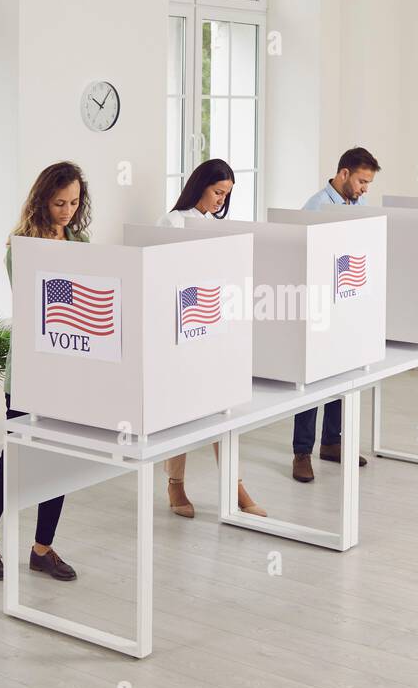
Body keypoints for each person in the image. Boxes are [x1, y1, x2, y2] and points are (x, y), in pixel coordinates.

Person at [0, 162, 91, 582]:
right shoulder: (21, 246)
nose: (67, 211)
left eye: (74, 202)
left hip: (68, 369)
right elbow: (38, 306)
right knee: (17, 458)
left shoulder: (80, 241)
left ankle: (43, 548)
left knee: (58, 461)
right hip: (28, 372)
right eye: (59, 203)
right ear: (42, 200)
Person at [158, 159, 266, 519]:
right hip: (181, 330)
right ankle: (175, 486)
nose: (221, 200)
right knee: (182, 415)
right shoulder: (172, 222)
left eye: (227, 195)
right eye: (218, 191)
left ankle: (234, 485)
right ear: (200, 185)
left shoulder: (215, 226)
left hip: (214, 327)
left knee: (225, 409)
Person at [291, 147, 381, 484]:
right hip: (318, 306)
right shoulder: (316, 208)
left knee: (342, 375)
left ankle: (331, 442)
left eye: (368, 183)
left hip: (346, 301)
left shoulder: (357, 207)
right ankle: (302, 452)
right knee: (313, 379)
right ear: (343, 174)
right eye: (361, 181)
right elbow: (304, 257)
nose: (364, 188)